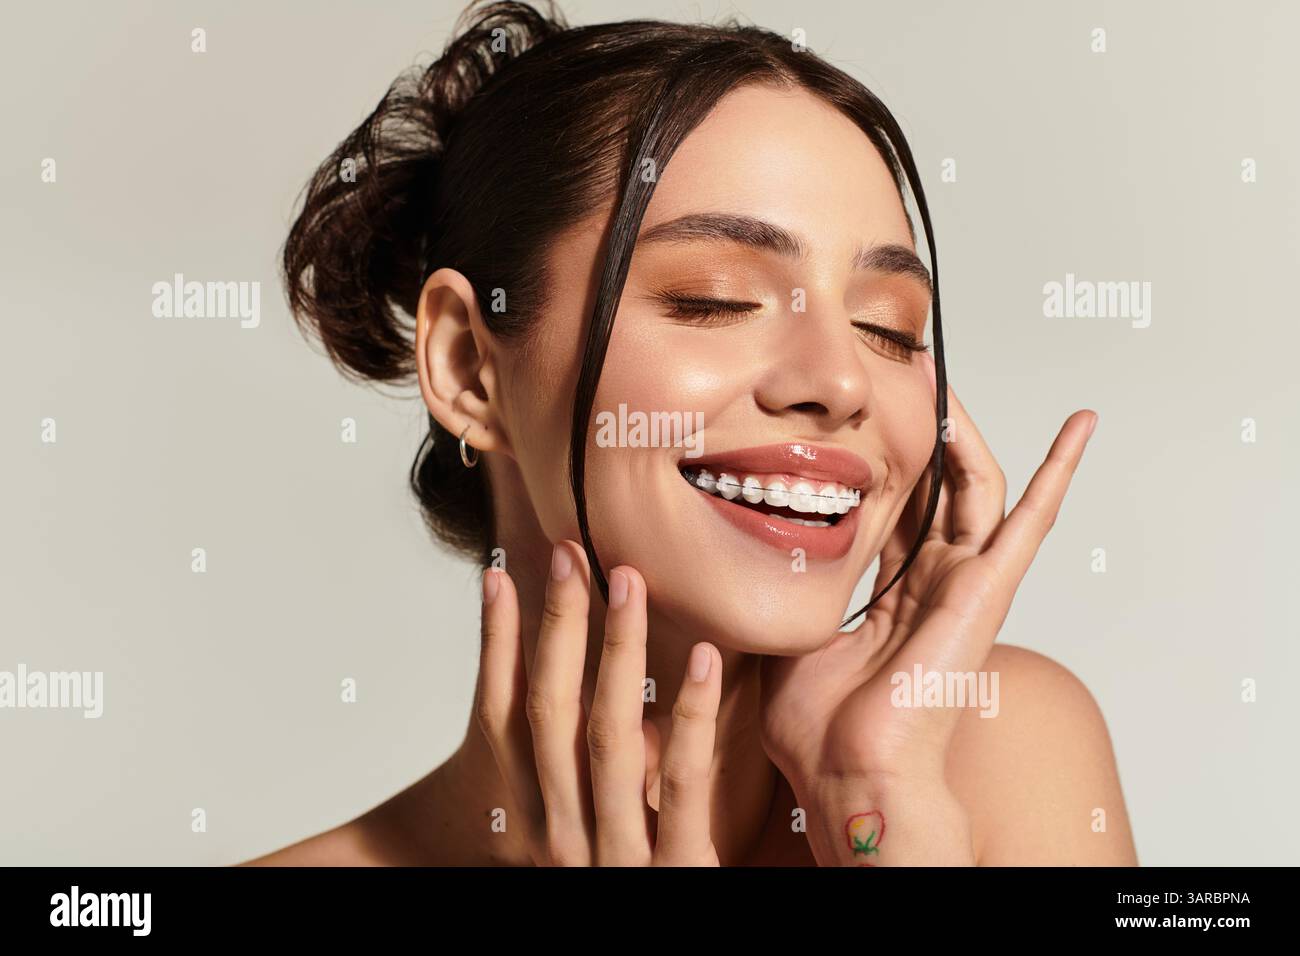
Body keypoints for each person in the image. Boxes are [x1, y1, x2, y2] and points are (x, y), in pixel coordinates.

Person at [245, 0, 1137, 866]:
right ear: (470, 368)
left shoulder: (1002, 758)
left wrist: (871, 808)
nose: (838, 380)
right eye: (716, 298)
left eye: (888, 326)